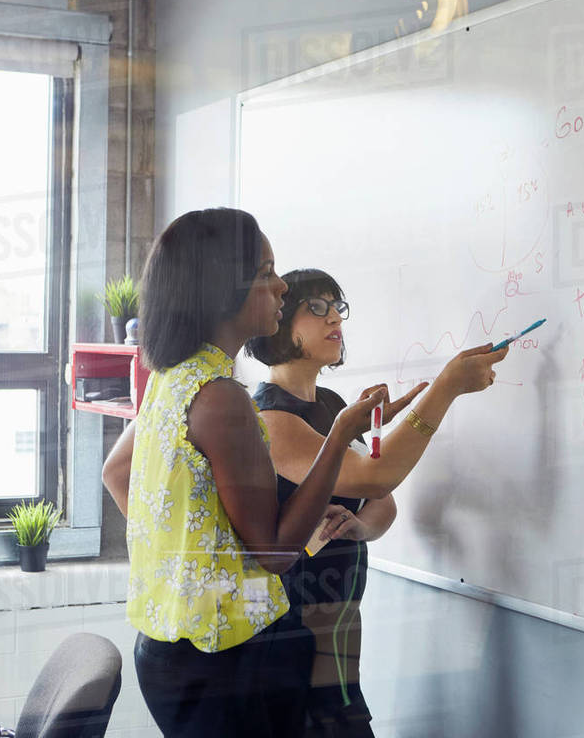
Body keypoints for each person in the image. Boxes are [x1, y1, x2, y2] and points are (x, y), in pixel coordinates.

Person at [101, 210, 384, 738]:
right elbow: (275, 553)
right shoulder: (222, 397)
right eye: (265, 273)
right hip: (226, 658)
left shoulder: (172, 376)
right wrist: (341, 435)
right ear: (219, 289)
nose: (280, 286)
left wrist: (195, 555)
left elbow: (117, 472)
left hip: (170, 647)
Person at [245, 268, 509, 737]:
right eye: (318, 308)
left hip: (341, 619)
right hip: (292, 631)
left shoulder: (331, 403)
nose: (335, 321)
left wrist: (359, 527)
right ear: (282, 322)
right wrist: (446, 386)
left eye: (338, 308)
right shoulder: (271, 417)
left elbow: (379, 499)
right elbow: (375, 475)